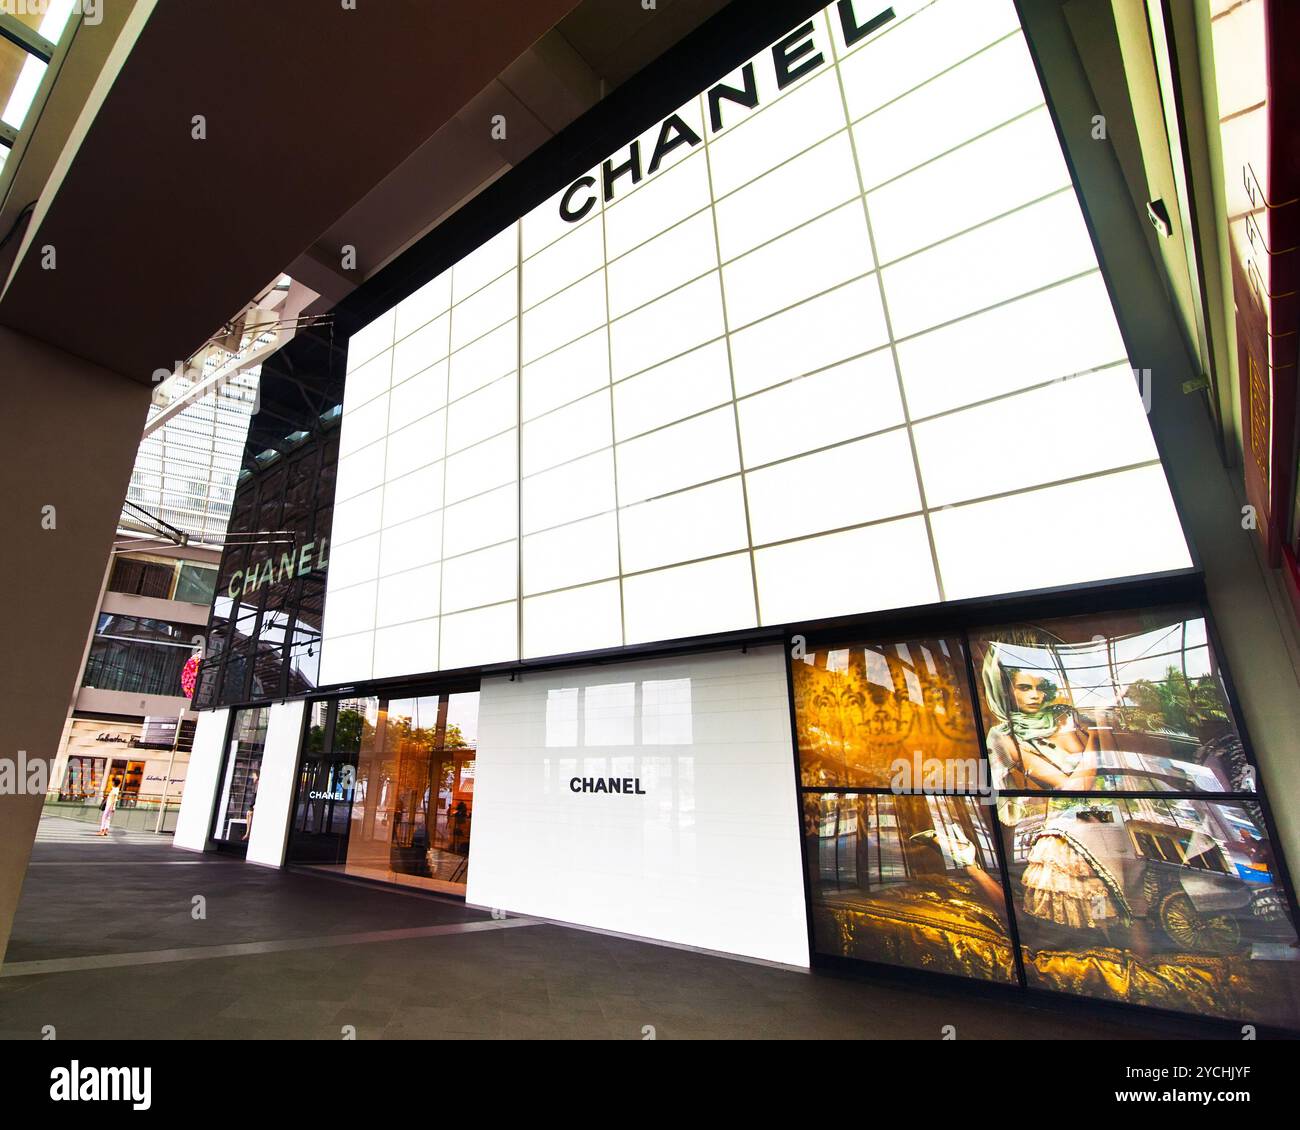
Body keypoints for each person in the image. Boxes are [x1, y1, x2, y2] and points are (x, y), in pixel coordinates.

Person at [980, 642, 1104, 791]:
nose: (1035, 696)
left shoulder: (1064, 715)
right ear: (1004, 691)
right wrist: (1095, 737)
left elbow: (1114, 756)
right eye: (1024, 688)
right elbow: (1076, 789)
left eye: (1040, 688)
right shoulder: (1003, 737)